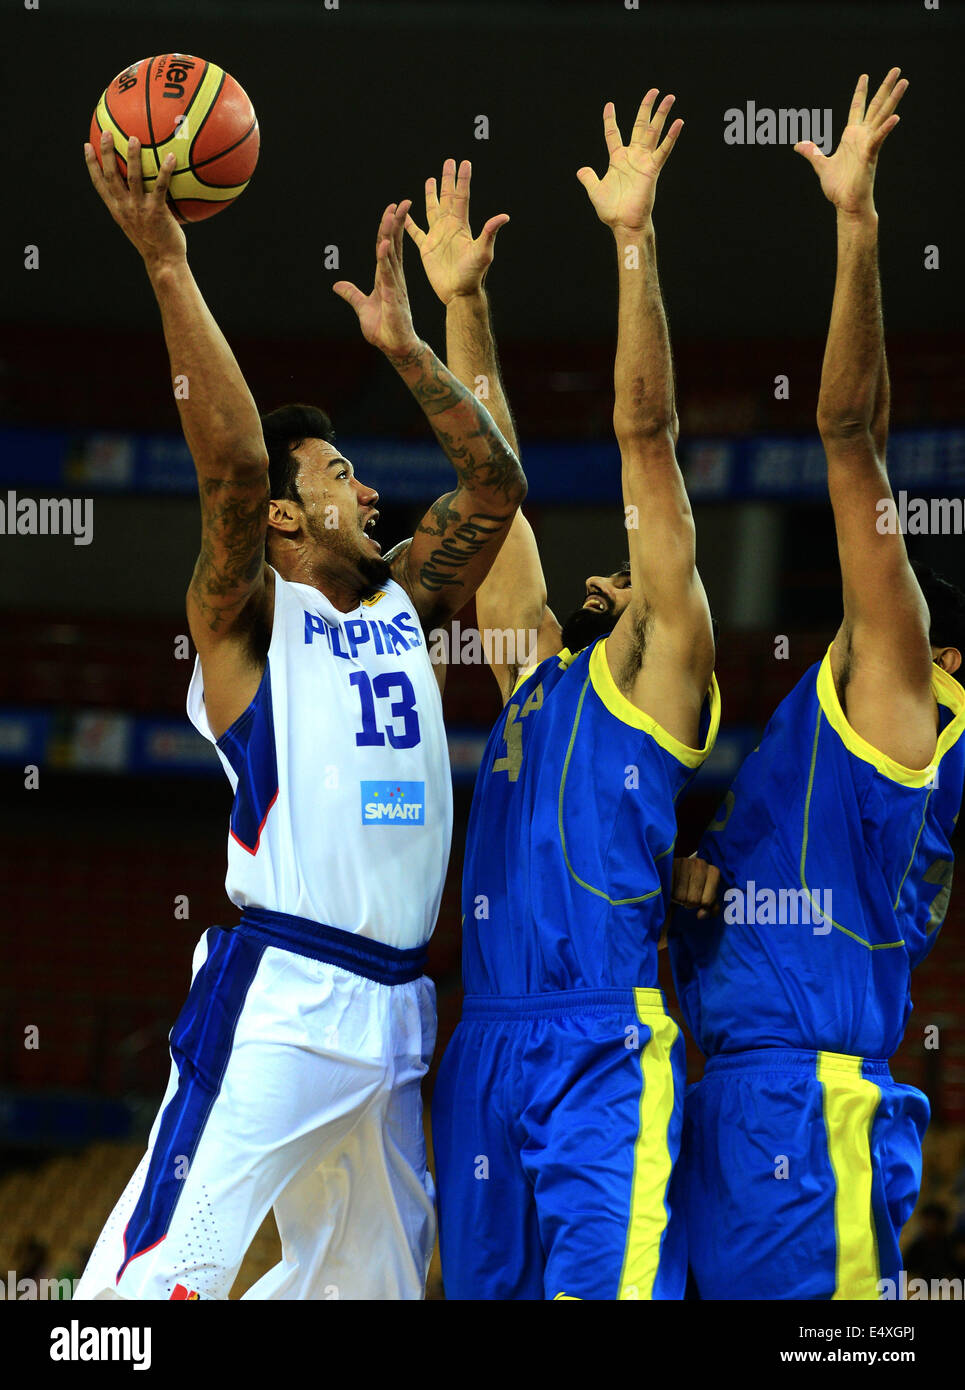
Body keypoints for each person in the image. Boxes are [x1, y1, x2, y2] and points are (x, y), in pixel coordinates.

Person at [73, 131, 526, 1301]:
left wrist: (413, 347)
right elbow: (226, 467)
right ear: (282, 517)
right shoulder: (247, 614)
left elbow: (495, 485)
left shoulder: (405, 600)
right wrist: (170, 265)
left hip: (397, 1006)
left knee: (368, 1294)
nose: (366, 487)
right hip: (285, 994)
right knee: (154, 1283)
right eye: (334, 475)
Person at [669, 68, 965, 1301]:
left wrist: (855, 229)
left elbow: (849, 435)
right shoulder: (836, 724)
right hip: (737, 1092)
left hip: (800, 1112)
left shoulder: (899, 690)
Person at [420, 94, 719, 1300]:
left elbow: (642, 434)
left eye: (616, 566)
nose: (598, 569)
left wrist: (630, 238)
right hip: (484, 1035)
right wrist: (460, 302)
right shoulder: (529, 670)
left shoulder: (657, 661)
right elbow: (486, 482)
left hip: (600, 1041)